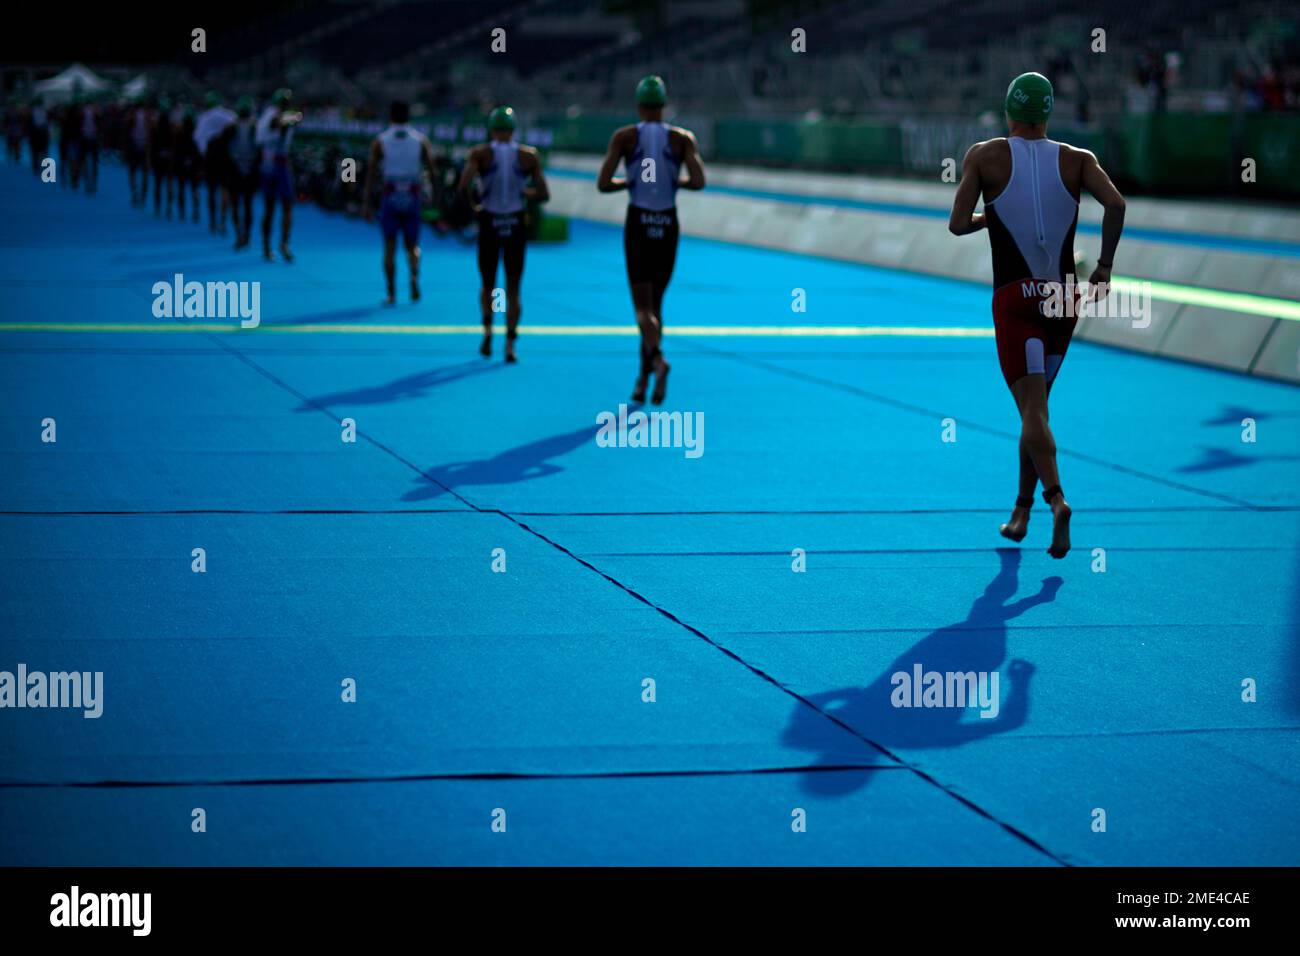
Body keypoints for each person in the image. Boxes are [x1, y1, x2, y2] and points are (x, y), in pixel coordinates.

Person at [947, 72, 1127, 559]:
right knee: (1038, 410)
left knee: (1031, 412)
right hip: (1062, 299)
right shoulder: (1079, 159)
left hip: (1016, 298)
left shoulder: (983, 156)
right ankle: (1022, 509)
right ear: (1047, 113)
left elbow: (958, 224)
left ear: (1009, 111)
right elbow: (1115, 203)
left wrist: (994, 216)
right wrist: (1105, 268)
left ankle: (1057, 500)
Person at [596, 75, 705, 404]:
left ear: (639, 106)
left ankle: (657, 362)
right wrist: (673, 180)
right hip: (667, 224)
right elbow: (698, 181)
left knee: (642, 309)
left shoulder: (625, 137)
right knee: (658, 306)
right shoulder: (682, 138)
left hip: (640, 223)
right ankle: (643, 380)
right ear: (664, 106)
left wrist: (629, 182)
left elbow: (603, 183)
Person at [457, 105, 549, 363]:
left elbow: (462, 188)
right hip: (515, 223)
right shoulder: (528, 156)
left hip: (490, 221)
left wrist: (476, 208)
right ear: (513, 129)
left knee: (489, 284)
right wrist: (522, 192)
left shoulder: (481, 153)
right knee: (513, 287)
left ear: (492, 129)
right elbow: (543, 194)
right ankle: (510, 342)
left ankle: (488, 331)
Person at [363, 101, 438, 305]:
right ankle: (413, 276)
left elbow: (371, 173)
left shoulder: (381, 140)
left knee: (389, 246)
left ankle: (391, 292)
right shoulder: (421, 140)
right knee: (413, 245)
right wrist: (436, 198)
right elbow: (432, 170)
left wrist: (366, 201)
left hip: (391, 193)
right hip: (412, 194)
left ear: (391, 116)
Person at [257, 88, 302, 262]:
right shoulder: (271, 115)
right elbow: (276, 123)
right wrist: (293, 117)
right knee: (275, 207)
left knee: (283, 206)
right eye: (284, 102)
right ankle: (270, 245)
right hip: (274, 164)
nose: (286, 105)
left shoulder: (276, 115)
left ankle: (280, 244)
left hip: (276, 162)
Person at [195, 90, 236, 234]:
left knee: (212, 191)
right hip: (224, 155)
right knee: (225, 189)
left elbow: (198, 138)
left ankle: (213, 221)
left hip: (210, 156)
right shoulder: (227, 115)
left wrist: (204, 155)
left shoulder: (203, 118)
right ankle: (223, 221)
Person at [223, 96, 260, 250]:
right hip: (244, 169)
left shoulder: (237, 127)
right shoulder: (245, 127)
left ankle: (241, 235)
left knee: (239, 205)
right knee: (246, 205)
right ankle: (244, 235)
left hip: (239, 170)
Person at [148, 97, 176, 218]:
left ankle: (158, 207)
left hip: (158, 157)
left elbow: (151, 144)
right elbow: (174, 144)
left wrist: (149, 158)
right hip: (167, 158)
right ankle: (168, 206)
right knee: (168, 183)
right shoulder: (172, 126)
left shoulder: (155, 126)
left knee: (158, 183)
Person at [124, 99, 150, 205]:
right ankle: (143, 194)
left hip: (134, 145)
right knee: (144, 172)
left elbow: (126, 132)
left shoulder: (131, 116)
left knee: (133, 171)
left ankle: (135, 192)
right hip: (144, 145)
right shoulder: (148, 116)